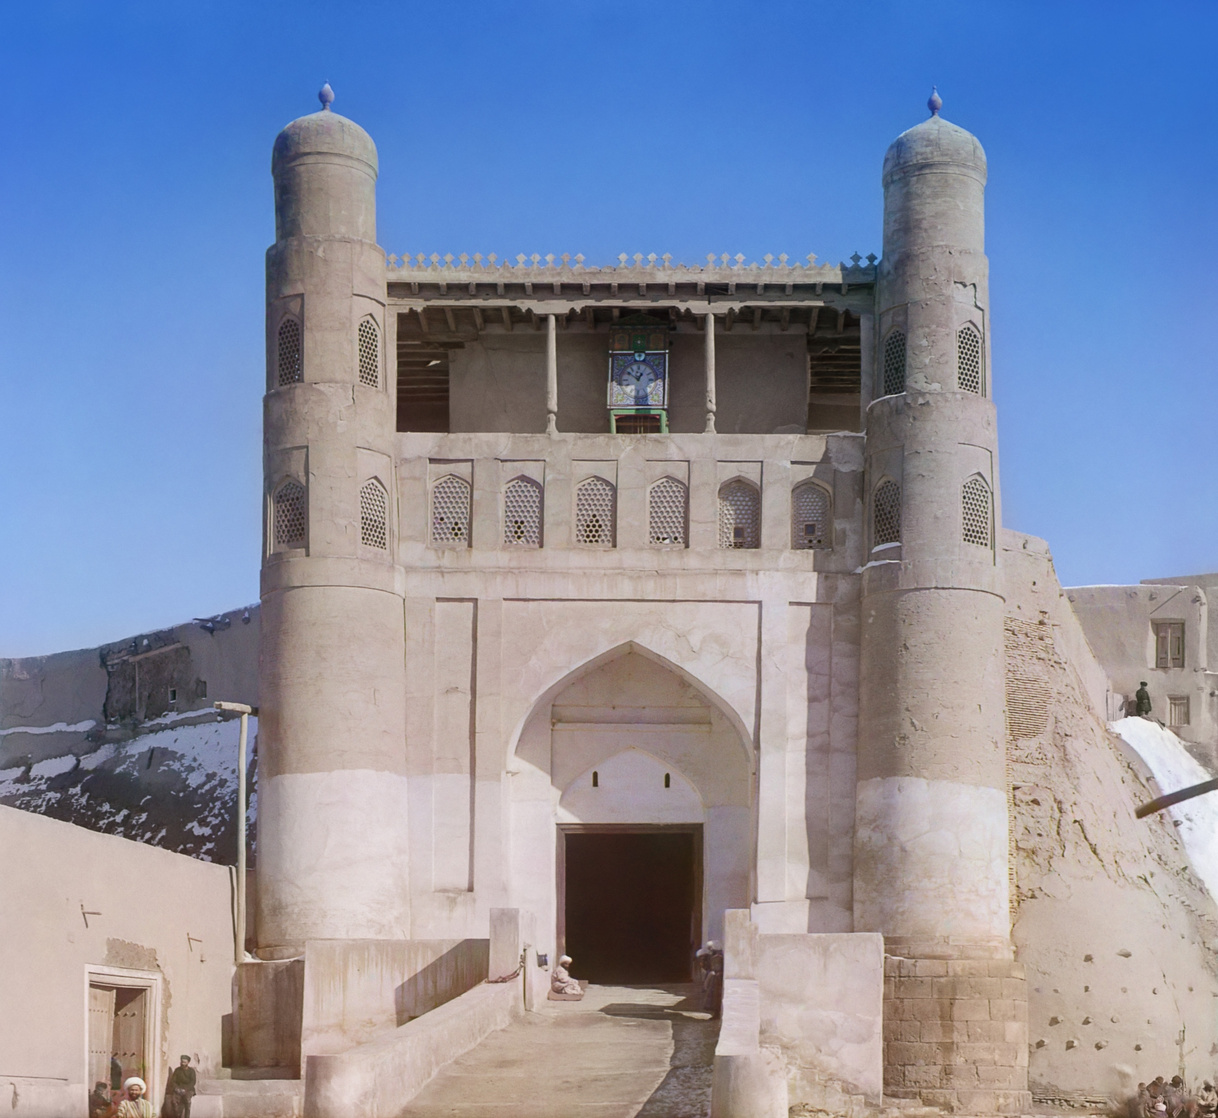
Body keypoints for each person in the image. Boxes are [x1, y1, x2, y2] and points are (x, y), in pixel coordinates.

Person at [695, 940, 724, 1018]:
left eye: (710, 948)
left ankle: (716, 1013)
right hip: (714, 979)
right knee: (713, 998)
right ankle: (715, 1013)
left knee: (715, 998)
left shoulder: (717, 957)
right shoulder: (713, 957)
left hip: (717, 980)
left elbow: (716, 969)